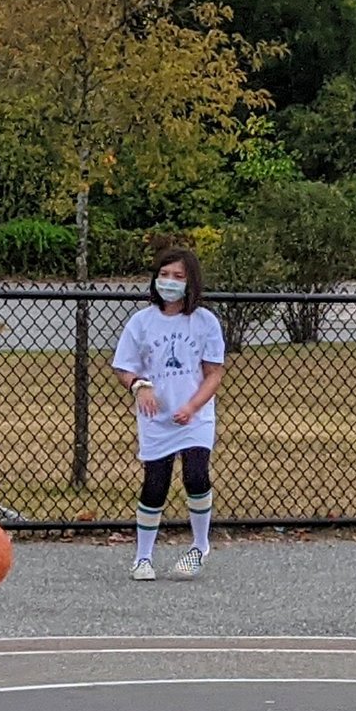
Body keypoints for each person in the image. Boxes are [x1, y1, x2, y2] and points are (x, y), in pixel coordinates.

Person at [113, 247, 224, 581]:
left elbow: (214, 373)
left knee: (195, 475)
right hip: (156, 421)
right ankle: (143, 557)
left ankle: (200, 545)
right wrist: (139, 386)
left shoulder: (205, 321)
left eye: (178, 276)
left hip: (195, 417)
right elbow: (124, 367)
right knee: (155, 485)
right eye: (164, 275)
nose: (169, 282)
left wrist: (192, 407)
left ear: (190, 281)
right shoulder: (142, 322)